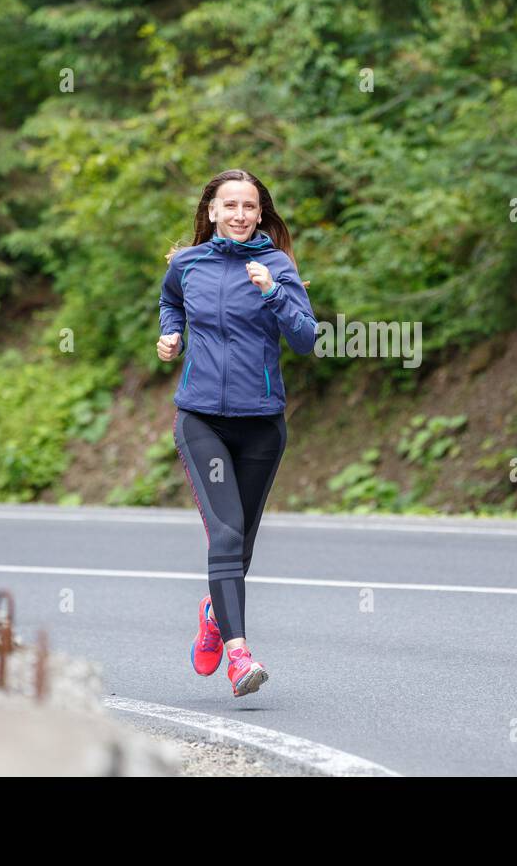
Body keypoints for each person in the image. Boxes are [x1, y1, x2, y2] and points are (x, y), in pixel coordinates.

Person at [157, 169, 317, 697]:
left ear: (260, 214)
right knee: (223, 535)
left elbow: (305, 338)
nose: (240, 214)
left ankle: (213, 610)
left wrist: (272, 292)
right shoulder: (187, 264)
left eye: (250, 206)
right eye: (230, 205)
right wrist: (171, 333)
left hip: (262, 427)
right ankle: (239, 655)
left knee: (241, 544)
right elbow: (171, 301)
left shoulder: (277, 267)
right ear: (211, 211)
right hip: (202, 418)